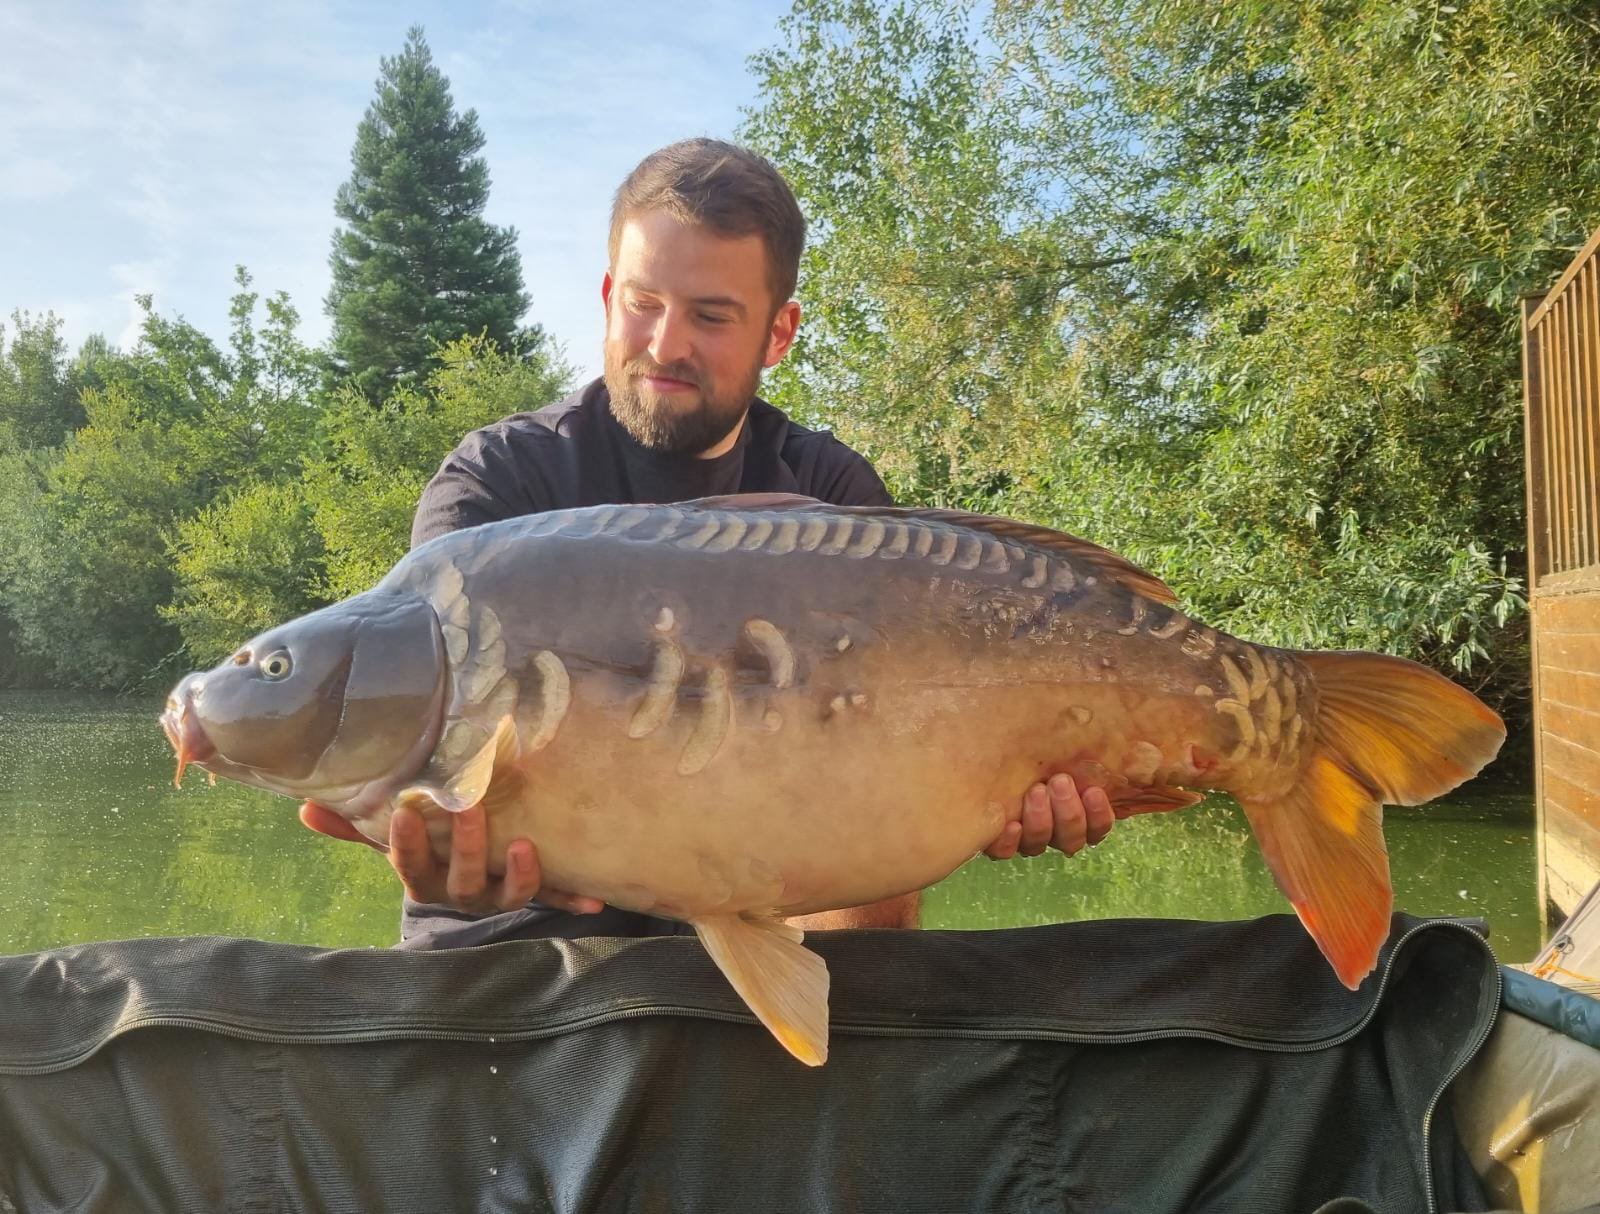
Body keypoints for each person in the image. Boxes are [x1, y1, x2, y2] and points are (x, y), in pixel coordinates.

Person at [299, 138, 1116, 945]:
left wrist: (1010, 782)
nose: (665, 344)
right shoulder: (498, 483)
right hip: (518, 937)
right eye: (643, 303)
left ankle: (834, 1045)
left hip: (770, 901)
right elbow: (421, 757)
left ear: (779, 333)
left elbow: (901, 740)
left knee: (885, 871)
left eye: (711, 316)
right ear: (609, 294)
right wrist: (433, 846)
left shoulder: (833, 496)